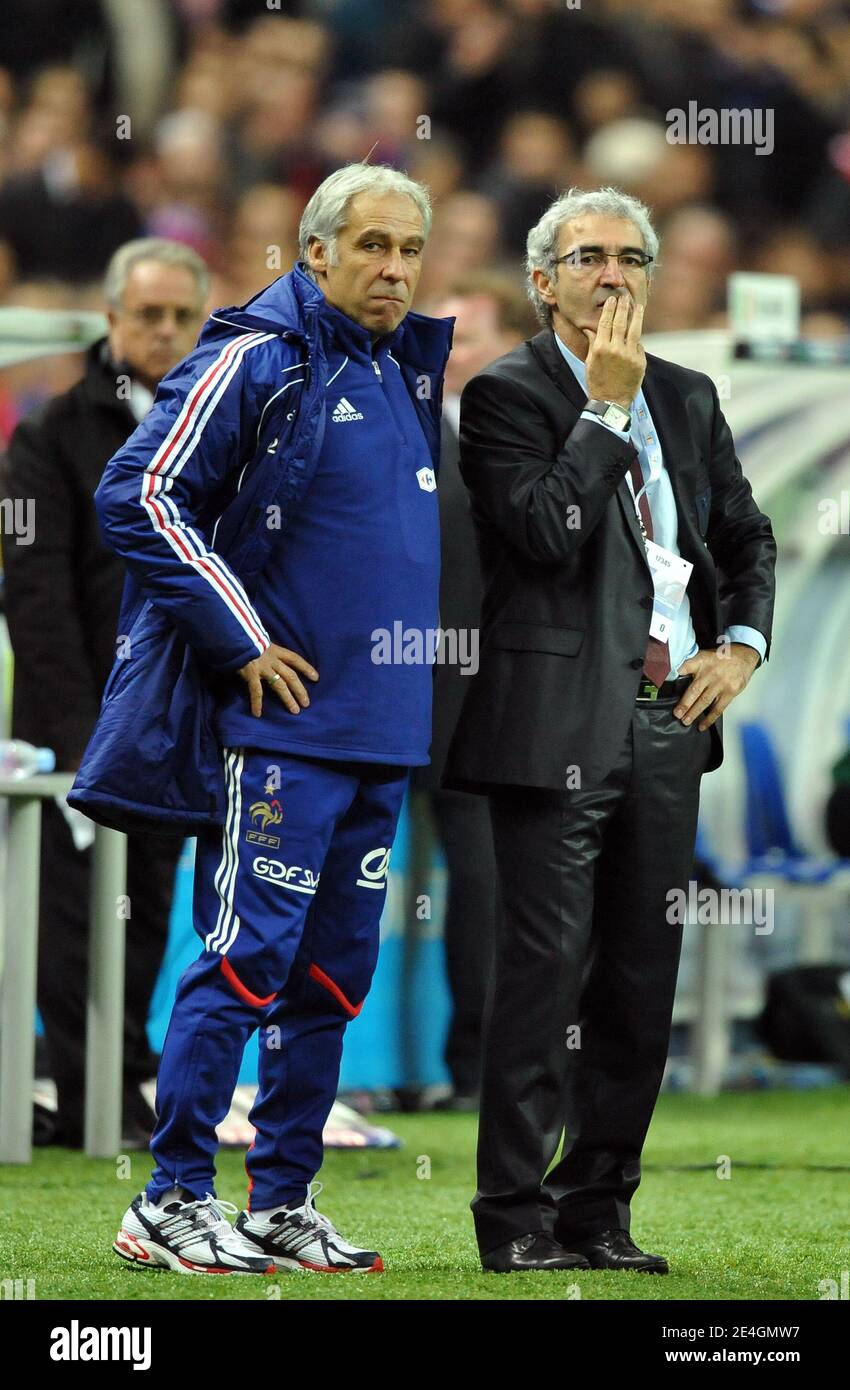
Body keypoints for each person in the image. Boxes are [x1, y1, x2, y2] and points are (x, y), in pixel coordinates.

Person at [82, 163, 452, 1275]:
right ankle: (170, 1196)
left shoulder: (403, 370)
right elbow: (135, 494)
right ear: (315, 250)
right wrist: (241, 636)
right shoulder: (256, 354)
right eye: (372, 245)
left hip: (379, 733)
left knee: (331, 982)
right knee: (243, 961)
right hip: (282, 735)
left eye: (410, 250)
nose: (393, 269)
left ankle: (280, 1199)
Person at [445, 186, 776, 1273]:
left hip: (670, 720)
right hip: (555, 725)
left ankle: (597, 1212)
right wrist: (600, 411)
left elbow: (743, 531)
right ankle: (514, 1221)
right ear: (541, 280)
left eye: (631, 256)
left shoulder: (687, 395)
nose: (613, 275)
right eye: (588, 256)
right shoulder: (503, 393)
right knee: (541, 981)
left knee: (638, 983)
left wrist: (739, 645)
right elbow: (542, 533)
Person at [3, 237, 209, 1147]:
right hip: (79, 729)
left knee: (150, 911)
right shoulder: (51, 432)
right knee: (74, 918)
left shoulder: (216, 417)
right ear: (114, 318)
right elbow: (34, 592)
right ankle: (90, 1095)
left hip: (175, 722)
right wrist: (84, 732)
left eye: (181, 316)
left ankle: (123, 1086)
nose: (165, 331)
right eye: (149, 315)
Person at [411, 273, 537, 1109]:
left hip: (479, 710)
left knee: (486, 893)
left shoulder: (523, 452)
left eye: (476, 340)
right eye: (447, 342)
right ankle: (329, 1073)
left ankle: (476, 1068)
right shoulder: (391, 433)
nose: (457, 359)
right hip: (365, 700)